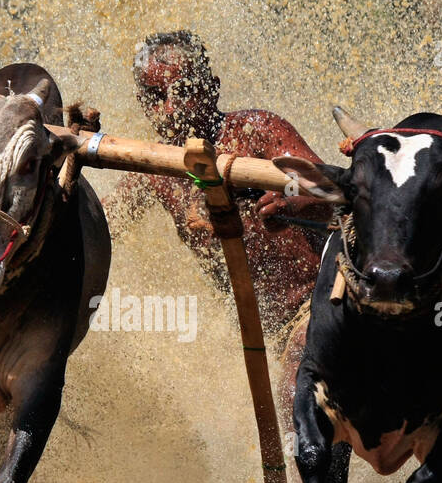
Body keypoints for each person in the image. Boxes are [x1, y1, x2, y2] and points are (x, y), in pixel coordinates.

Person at [107, 31, 332, 338]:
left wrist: (287, 200)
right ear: (141, 103)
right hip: (260, 336)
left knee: (295, 383)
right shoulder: (154, 171)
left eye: (184, 91)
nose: (171, 109)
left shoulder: (257, 131)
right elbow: (104, 224)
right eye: (155, 98)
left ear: (212, 90)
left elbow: (328, 187)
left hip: (321, 304)